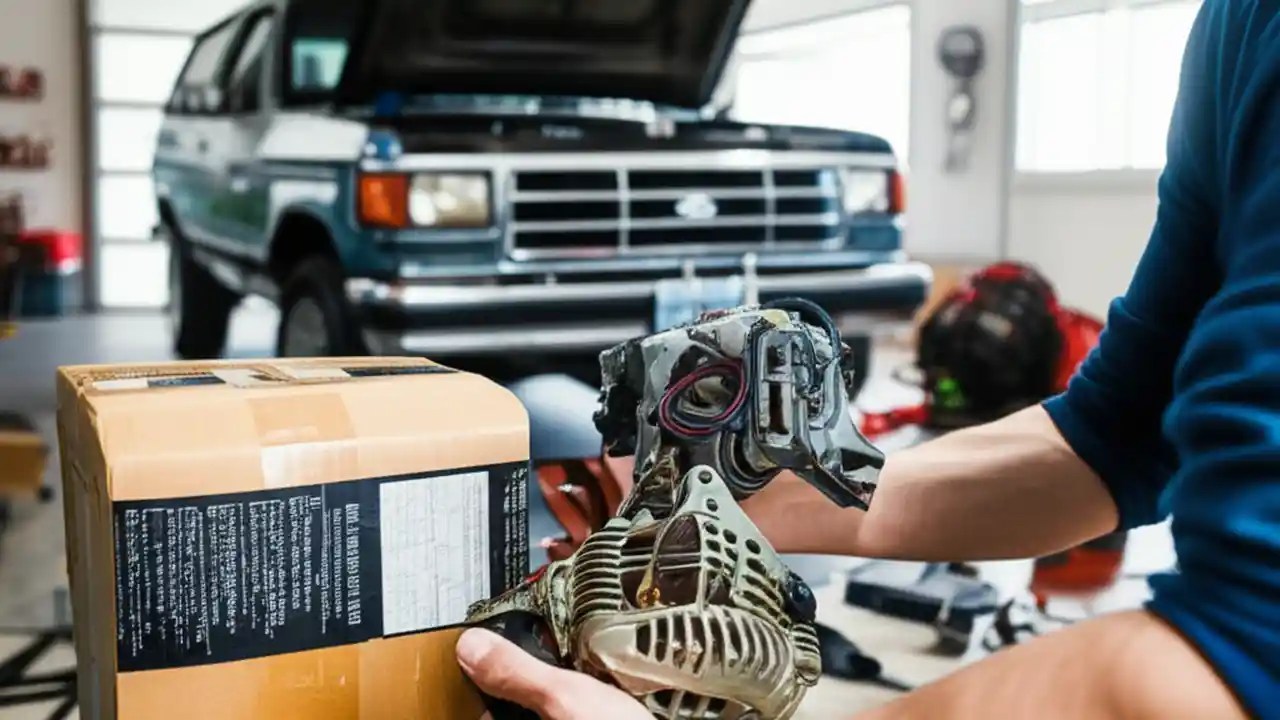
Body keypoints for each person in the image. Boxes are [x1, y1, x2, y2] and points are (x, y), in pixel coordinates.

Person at [455, 1, 1277, 716]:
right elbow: (1115, 435)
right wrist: (767, 492)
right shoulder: (1239, 26)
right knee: (546, 409)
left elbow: (1243, 652)